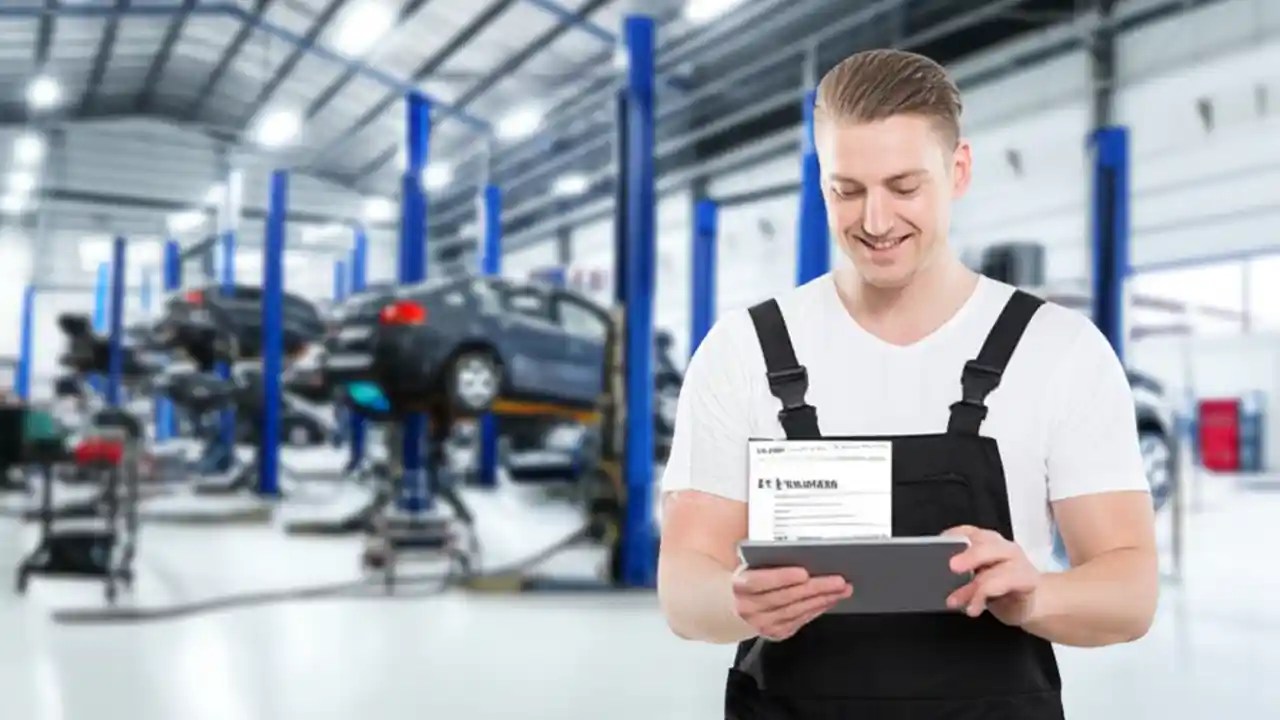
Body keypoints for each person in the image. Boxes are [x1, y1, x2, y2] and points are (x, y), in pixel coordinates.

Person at [656, 48, 1159, 719]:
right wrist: (735, 600)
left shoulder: (1058, 351)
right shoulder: (744, 350)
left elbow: (1131, 588)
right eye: (847, 190)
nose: (875, 220)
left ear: (958, 170)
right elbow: (683, 584)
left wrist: (1035, 594)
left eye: (904, 186)